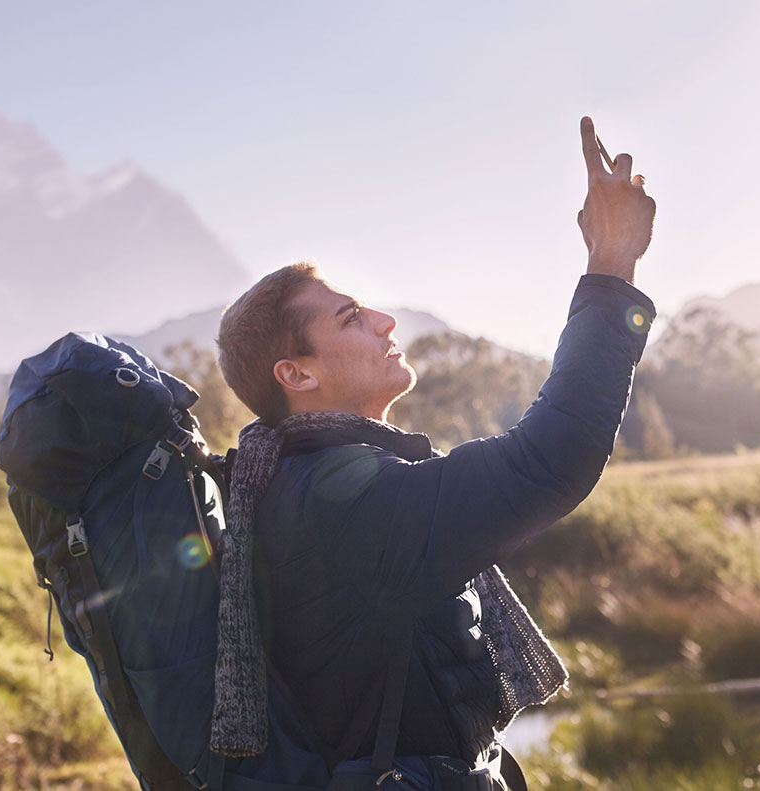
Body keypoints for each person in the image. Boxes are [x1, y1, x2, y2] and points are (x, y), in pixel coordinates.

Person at [209, 116, 656, 791]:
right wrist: (612, 264)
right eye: (350, 317)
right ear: (296, 374)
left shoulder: (307, 482)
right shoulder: (341, 498)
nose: (385, 321)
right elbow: (546, 459)